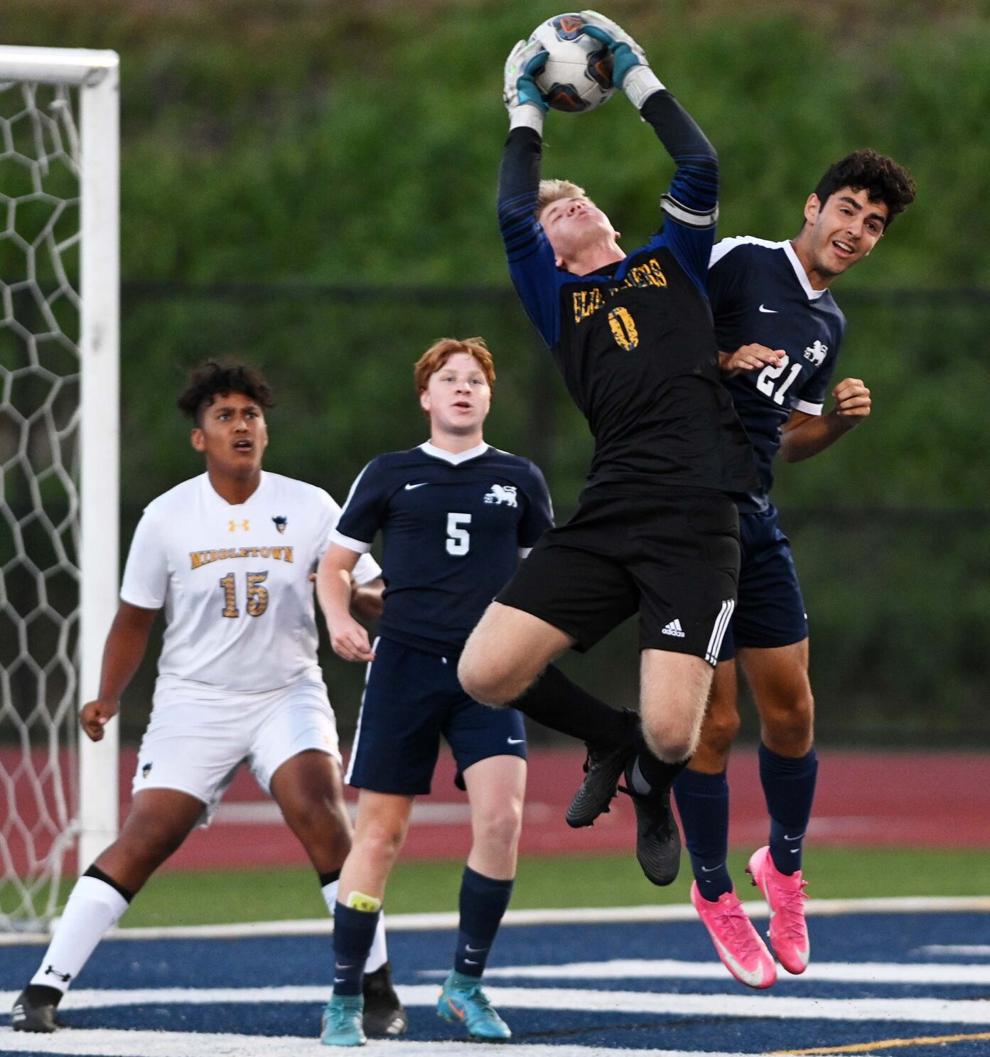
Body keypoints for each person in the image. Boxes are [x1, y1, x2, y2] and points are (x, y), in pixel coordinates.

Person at [10, 361, 407, 1039]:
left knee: (319, 810)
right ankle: (43, 987)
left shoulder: (311, 504)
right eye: (224, 416)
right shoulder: (166, 517)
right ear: (200, 437)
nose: (241, 425)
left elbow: (369, 588)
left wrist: (363, 596)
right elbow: (135, 618)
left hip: (287, 691)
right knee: (146, 835)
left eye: (251, 413)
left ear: (266, 428)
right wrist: (106, 695)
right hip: (195, 701)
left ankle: (374, 987)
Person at [457, 11, 759, 891]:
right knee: (485, 670)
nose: (571, 202)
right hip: (614, 508)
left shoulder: (674, 261)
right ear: (545, 250)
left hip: (698, 515)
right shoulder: (558, 302)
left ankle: (648, 773)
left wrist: (632, 70)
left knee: (678, 734)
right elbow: (515, 206)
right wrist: (525, 111)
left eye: (579, 196)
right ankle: (606, 734)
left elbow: (698, 164)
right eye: (559, 209)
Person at [669, 149, 917, 988]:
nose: (855, 230)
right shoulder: (740, 260)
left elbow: (786, 437)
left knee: (794, 710)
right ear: (812, 206)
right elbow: (649, 332)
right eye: (847, 209)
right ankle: (713, 892)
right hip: (683, 516)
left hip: (754, 513)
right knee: (714, 722)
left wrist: (837, 424)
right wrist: (714, 359)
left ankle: (781, 867)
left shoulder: (827, 325)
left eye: (873, 225)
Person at [316, 337, 554, 1047]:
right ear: (425, 396)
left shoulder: (519, 477)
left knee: (503, 818)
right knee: (380, 833)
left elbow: (543, 577)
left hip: (488, 671)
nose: (462, 388)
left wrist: (534, 644)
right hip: (404, 666)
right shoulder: (390, 473)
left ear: (489, 396)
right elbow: (334, 567)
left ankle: (466, 983)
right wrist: (338, 618)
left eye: (475, 379)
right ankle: (342, 998)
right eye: (448, 379)